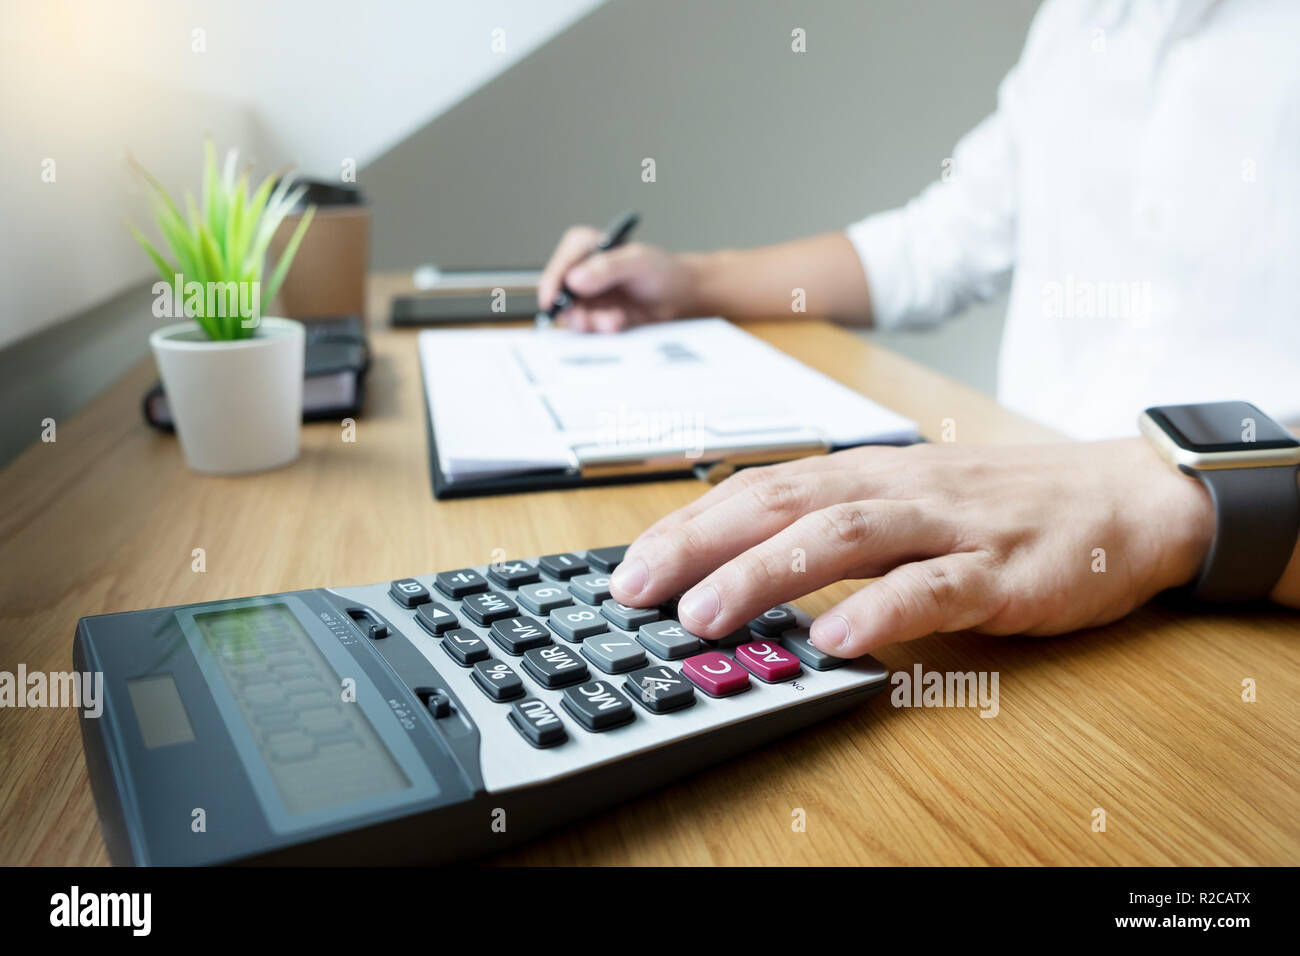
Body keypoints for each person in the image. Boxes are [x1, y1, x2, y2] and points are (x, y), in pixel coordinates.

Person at [536, 0, 1300, 656]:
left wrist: (1175, 498)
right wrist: (692, 283)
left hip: (1248, 611)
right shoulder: (1081, 18)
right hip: (1015, 554)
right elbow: (933, 247)